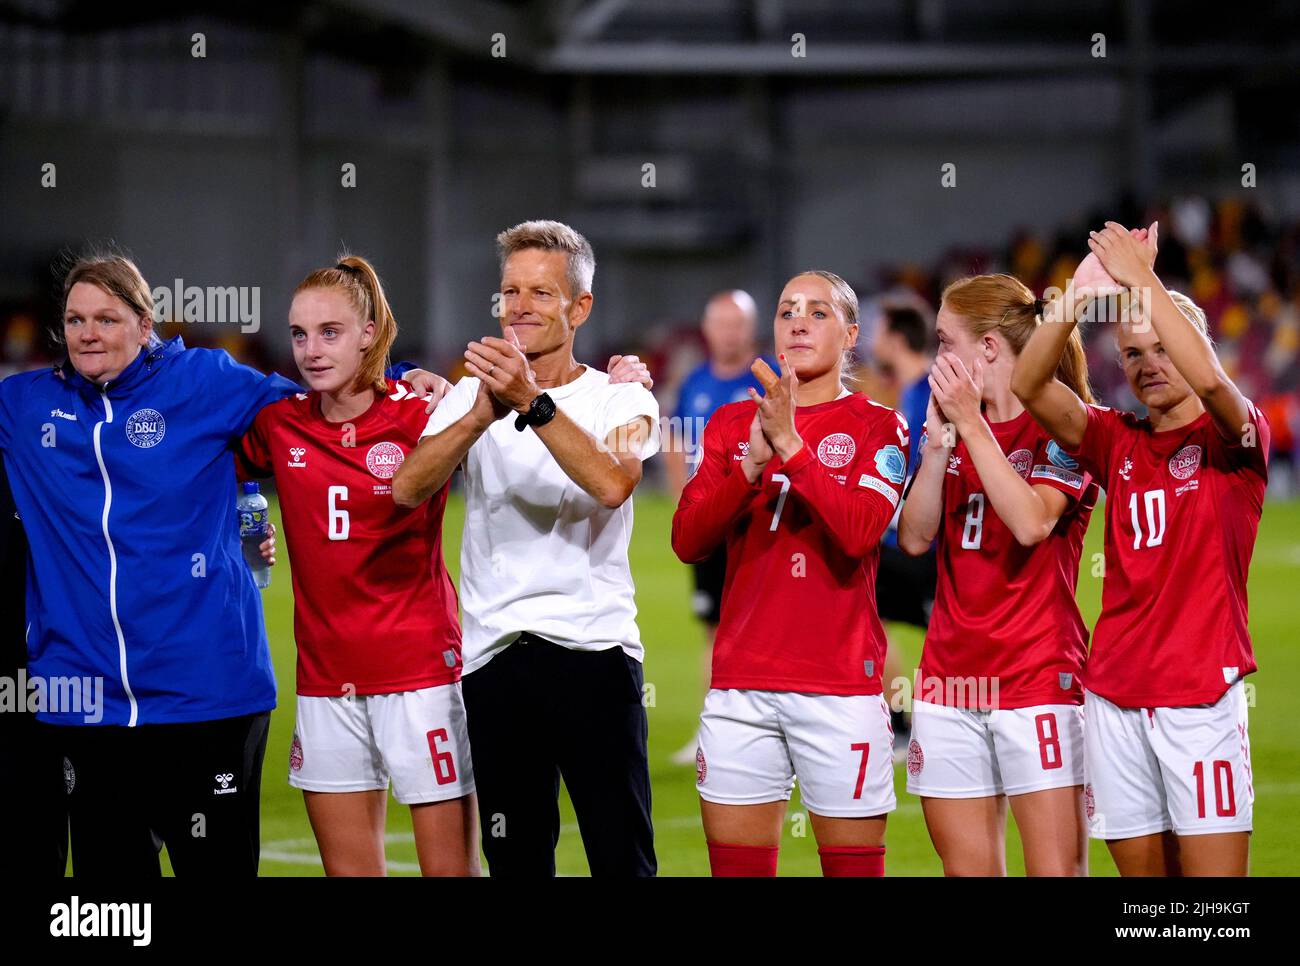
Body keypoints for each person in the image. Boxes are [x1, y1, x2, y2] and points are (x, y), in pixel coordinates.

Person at [0, 252, 304, 875]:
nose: (88, 333)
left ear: (145, 325)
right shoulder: (25, 407)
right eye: (76, 319)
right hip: (87, 706)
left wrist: (409, 381)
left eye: (107, 319)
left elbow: (316, 408)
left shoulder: (206, 381)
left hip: (208, 698)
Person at [393, 220, 660, 877]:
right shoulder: (467, 397)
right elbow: (407, 487)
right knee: (514, 859)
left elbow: (612, 482)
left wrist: (530, 402)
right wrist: (481, 413)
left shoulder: (620, 397)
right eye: (510, 291)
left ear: (580, 307)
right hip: (495, 661)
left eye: (541, 292)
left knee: (620, 857)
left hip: (593, 655)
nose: (519, 306)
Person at [1012, 221, 1266, 876]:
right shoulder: (1114, 439)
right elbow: (1030, 386)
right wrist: (1074, 299)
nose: (1148, 364)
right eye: (1131, 354)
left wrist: (1141, 280)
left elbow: (1213, 386)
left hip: (1201, 696)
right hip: (1114, 695)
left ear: (1194, 348)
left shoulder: (1234, 443)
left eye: (1161, 348)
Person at [236, 255, 478, 876]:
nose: (311, 350)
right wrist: (241, 536)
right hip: (324, 679)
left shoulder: (422, 412)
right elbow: (203, 478)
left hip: (421, 672)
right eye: (299, 334)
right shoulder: (278, 424)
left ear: (369, 334)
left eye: (330, 332)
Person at [671, 270, 908, 877]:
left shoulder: (879, 426)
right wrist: (749, 463)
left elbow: (859, 532)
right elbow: (688, 539)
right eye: (786, 311)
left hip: (842, 690)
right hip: (740, 691)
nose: (798, 321)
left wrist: (792, 448)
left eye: (819, 312)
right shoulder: (730, 426)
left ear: (852, 332)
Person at [897, 274, 1098, 876]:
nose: (936, 359)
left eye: (944, 341)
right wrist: (936, 449)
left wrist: (972, 427)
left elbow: (1033, 523)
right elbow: (913, 537)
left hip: (1037, 679)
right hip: (949, 682)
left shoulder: (1065, 426)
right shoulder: (956, 429)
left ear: (987, 348)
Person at [663, 290, 776, 766]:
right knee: (715, 631)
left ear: (750, 330)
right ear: (706, 330)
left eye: (737, 324)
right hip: (712, 527)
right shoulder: (694, 383)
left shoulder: (770, 379)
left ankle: (769, 730)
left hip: (756, 528)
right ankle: (716, 731)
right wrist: (684, 504)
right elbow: (674, 437)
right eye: (720, 324)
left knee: (768, 629)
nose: (729, 333)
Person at [868, 301, 938, 753]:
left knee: (953, 631)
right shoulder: (917, 388)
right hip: (911, 540)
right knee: (869, 612)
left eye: (877, 331)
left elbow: (918, 473)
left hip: (929, 543)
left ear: (895, 339)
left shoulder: (927, 391)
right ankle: (900, 721)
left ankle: (910, 720)